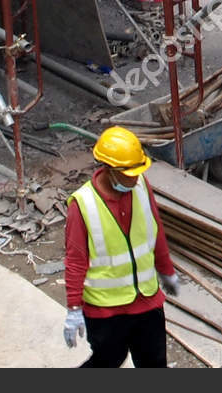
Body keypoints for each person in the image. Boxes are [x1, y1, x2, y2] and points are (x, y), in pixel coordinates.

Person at [63, 126, 179, 368]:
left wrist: (166, 270)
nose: (134, 178)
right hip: (106, 309)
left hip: (146, 300)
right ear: (109, 169)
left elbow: (154, 229)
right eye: (129, 174)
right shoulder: (83, 205)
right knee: (108, 361)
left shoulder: (140, 187)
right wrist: (74, 308)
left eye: (138, 172)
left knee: (155, 363)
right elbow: (76, 261)